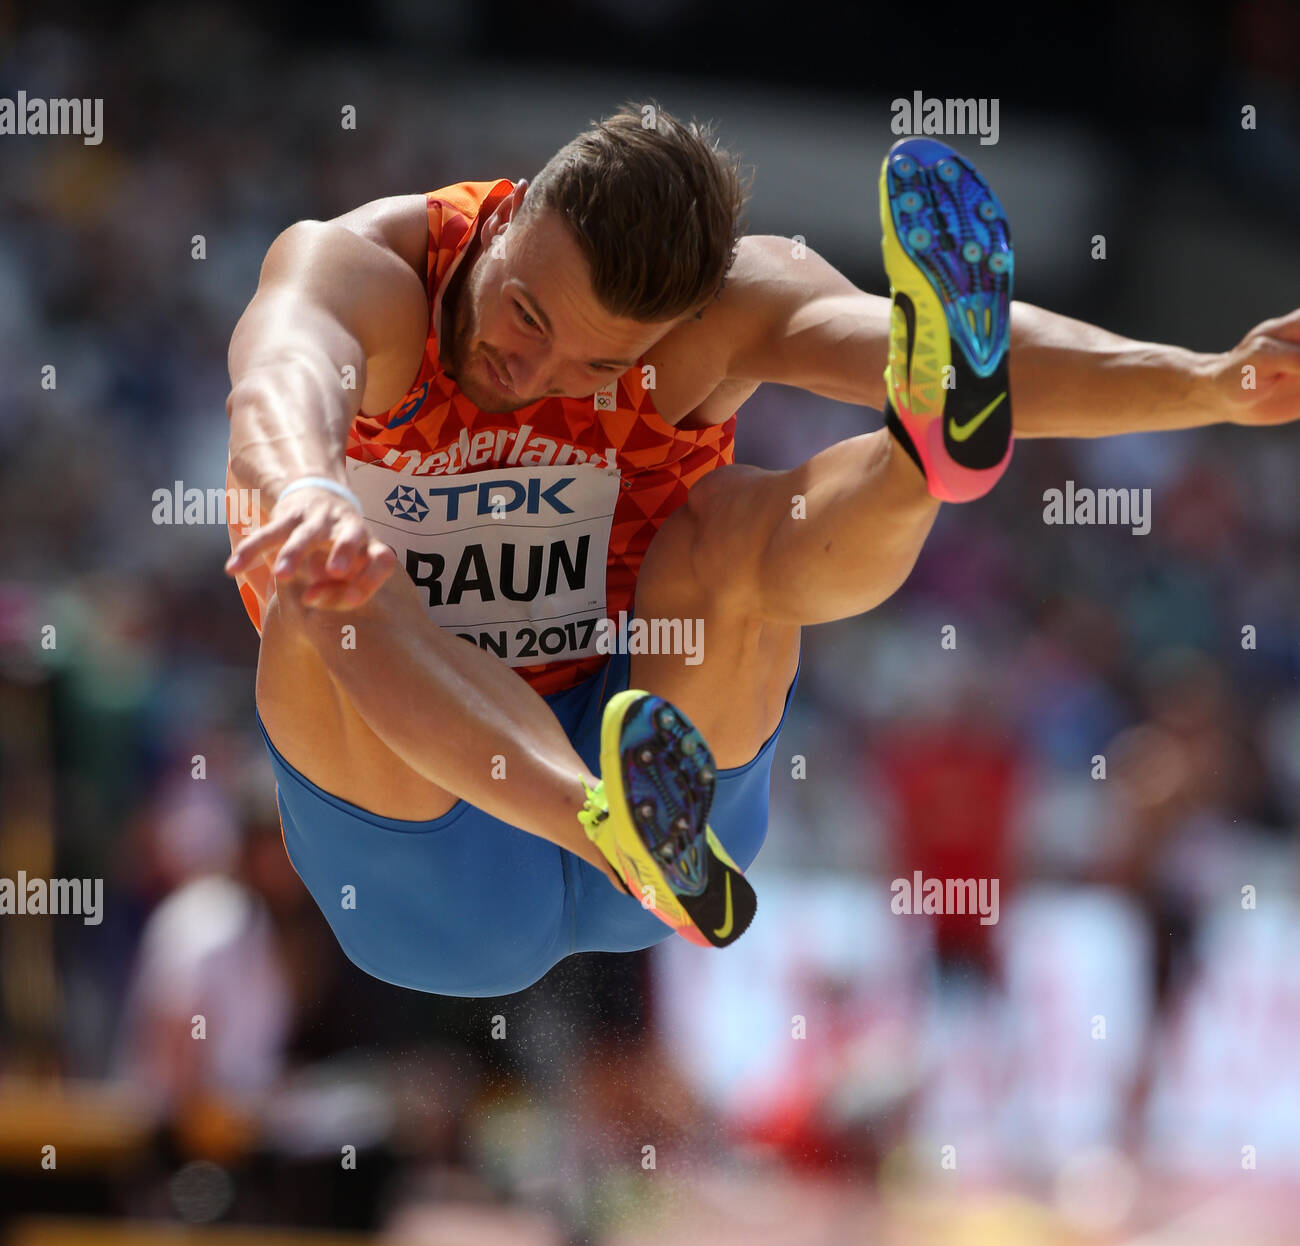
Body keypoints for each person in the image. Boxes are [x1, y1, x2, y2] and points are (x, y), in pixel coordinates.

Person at [224, 104, 1300, 997]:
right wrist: (312, 490)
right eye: (524, 314)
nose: (528, 365)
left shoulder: (727, 303)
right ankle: (613, 831)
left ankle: (923, 461)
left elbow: (942, 347)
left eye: (591, 362)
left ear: (663, 327)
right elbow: (279, 381)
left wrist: (1211, 381)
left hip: (656, 754)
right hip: (435, 851)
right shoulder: (364, 268)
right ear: (510, 217)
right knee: (325, 590)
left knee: (732, 524)